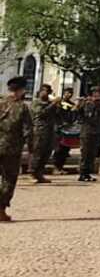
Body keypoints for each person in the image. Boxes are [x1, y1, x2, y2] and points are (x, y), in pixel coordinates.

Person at [0, 76, 34, 222]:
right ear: (21, 90)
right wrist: (32, 149)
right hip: (11, 149)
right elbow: (28, 130)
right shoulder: (22, 107)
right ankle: (0, 209)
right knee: (9, 179)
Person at [28, 84, 60, 183]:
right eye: (43, 91)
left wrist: (57, 106)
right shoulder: (36, 103)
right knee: (37, 152)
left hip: (49, 130)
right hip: (39, 130)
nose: (45, 93)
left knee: (47, 153)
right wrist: (53, 104)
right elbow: (40, 113)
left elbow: (57, 115)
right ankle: (32, 173)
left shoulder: (50, 103)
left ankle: (39, 173)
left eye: (47, 91)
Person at [77, 86, 100, 182]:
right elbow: (81, 114)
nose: (99, 94)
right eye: (97, 92)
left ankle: (88, 173)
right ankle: (82, 173)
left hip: (96, 131)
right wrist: (85, 103)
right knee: (85, 153)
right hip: (87, 131)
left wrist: (98, 104)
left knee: (92, 154)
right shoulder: (87, 103)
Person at [51, 87, 76, 173]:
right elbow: (55, 114)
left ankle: (61, 166)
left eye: (71, 93)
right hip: (59, 128)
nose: (69, 95)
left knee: (66, 148)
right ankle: (56, 166)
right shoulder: (59, 103)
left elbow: (73, 116)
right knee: (59, 148)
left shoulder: (72, 104)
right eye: (67, 93)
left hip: (68, 129)